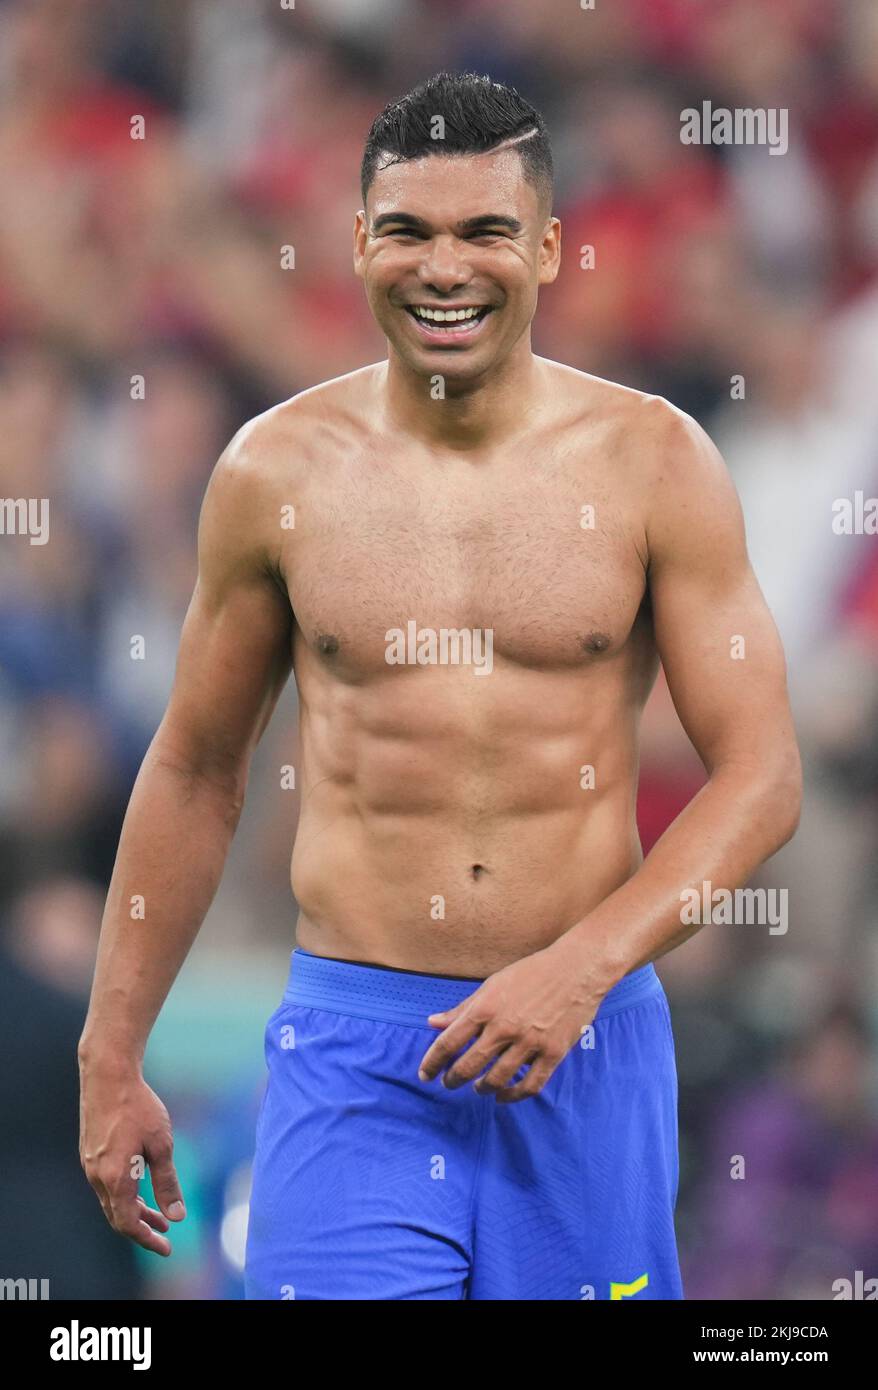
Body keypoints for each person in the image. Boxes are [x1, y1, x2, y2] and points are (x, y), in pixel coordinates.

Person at [78, 72, 802, 1301]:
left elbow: (763, 775)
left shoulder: (656, 463)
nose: (443, 268)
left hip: (586, 1050)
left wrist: (580, 967)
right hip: (354, 1058)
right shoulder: (272, 473)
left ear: (552, 249)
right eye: (407, 231)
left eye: (484, 233)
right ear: (358, 241)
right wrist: (110, 1048)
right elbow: (197, 766)